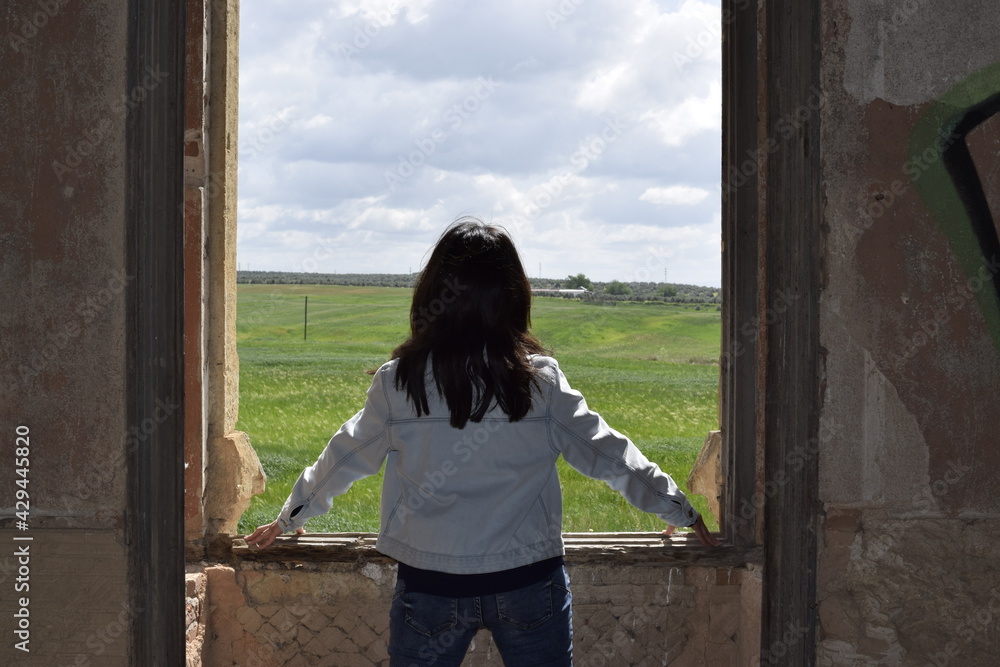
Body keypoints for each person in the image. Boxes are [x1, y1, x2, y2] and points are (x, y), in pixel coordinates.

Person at [246, 218, 720, 666]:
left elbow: (346, 456)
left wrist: (291, 517)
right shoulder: (541, 383)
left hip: (429, 585)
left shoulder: (400, 383)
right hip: (529, 583)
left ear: (433, 294)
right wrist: (679, 509)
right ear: (513, 298)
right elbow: (609, 454)